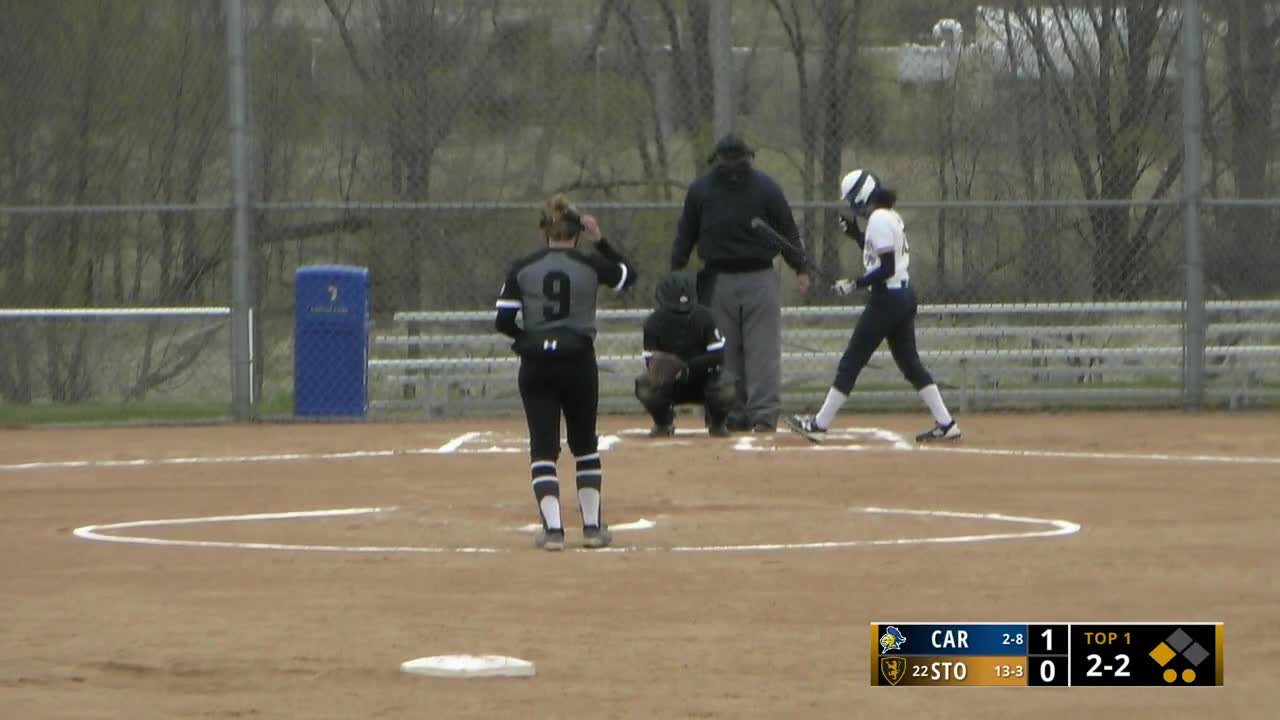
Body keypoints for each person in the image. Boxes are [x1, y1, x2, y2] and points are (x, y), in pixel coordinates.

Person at [494, 194, 638, 551]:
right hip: (578, 360)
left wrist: (529, 338)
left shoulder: (522, 267)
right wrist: (600, 240)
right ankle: (591, 528)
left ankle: (554, 531)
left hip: (537, 365)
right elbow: (628, 276)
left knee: (543, 449)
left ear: (545, 232)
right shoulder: (590, 264)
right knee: (584, 445)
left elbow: (503, 320)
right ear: (576, 233)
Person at [786, 169, 961, 443]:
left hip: (887, 299)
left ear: (862, 194)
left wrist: (854, 283)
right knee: (910, 364)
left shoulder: (879, 219)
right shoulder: (888, 215)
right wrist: (857, 235)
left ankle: (819, 424)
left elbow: (886, 268)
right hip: (903, 297)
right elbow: (880, 258)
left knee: (852, 360)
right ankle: (946, 423)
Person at [671, 133, 811, 433]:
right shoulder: (701, 191)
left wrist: (800, 266)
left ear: (747, 158)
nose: (732, 165)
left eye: (738, 158)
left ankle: (763, 414)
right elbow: (686, 232)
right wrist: (677, 268)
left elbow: (785, 230)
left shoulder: (766, 189)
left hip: (760, 275)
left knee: (762, 351)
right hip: (718, 278)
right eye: (727, 159)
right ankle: (729, 411)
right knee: (724, 351)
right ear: (717, 160)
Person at [634, 271, 736, 438]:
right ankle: (663, 422)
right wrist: (671, 369)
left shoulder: (705, 316)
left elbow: (718, 356)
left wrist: (687, 367)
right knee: (645, 383)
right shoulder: (653, 322)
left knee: (726, 383)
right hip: (670, 382)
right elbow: (651, 362)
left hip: (703, 381)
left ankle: (716, 422)